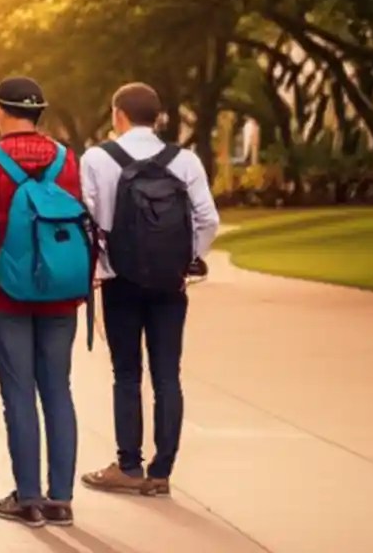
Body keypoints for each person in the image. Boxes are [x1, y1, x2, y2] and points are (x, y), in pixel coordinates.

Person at [0, 77, 92, 528]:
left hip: (4, 291)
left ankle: (28, 498)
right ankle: (63, 498)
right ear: (40, 114)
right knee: (58, 389)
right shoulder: (66, 159)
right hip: (60, 292)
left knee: (18, 392)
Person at [79, 83, 219, 497]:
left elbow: (87, 219)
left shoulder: (97, 158)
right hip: (169, 283)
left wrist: (101, 267)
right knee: (167, 375)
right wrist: (187, 260)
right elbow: (208, 218)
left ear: (117, 114)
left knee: (126, 373)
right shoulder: (185, 160)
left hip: (119, 280)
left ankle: (128, 466)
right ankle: (162, 471)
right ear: (157, 117)